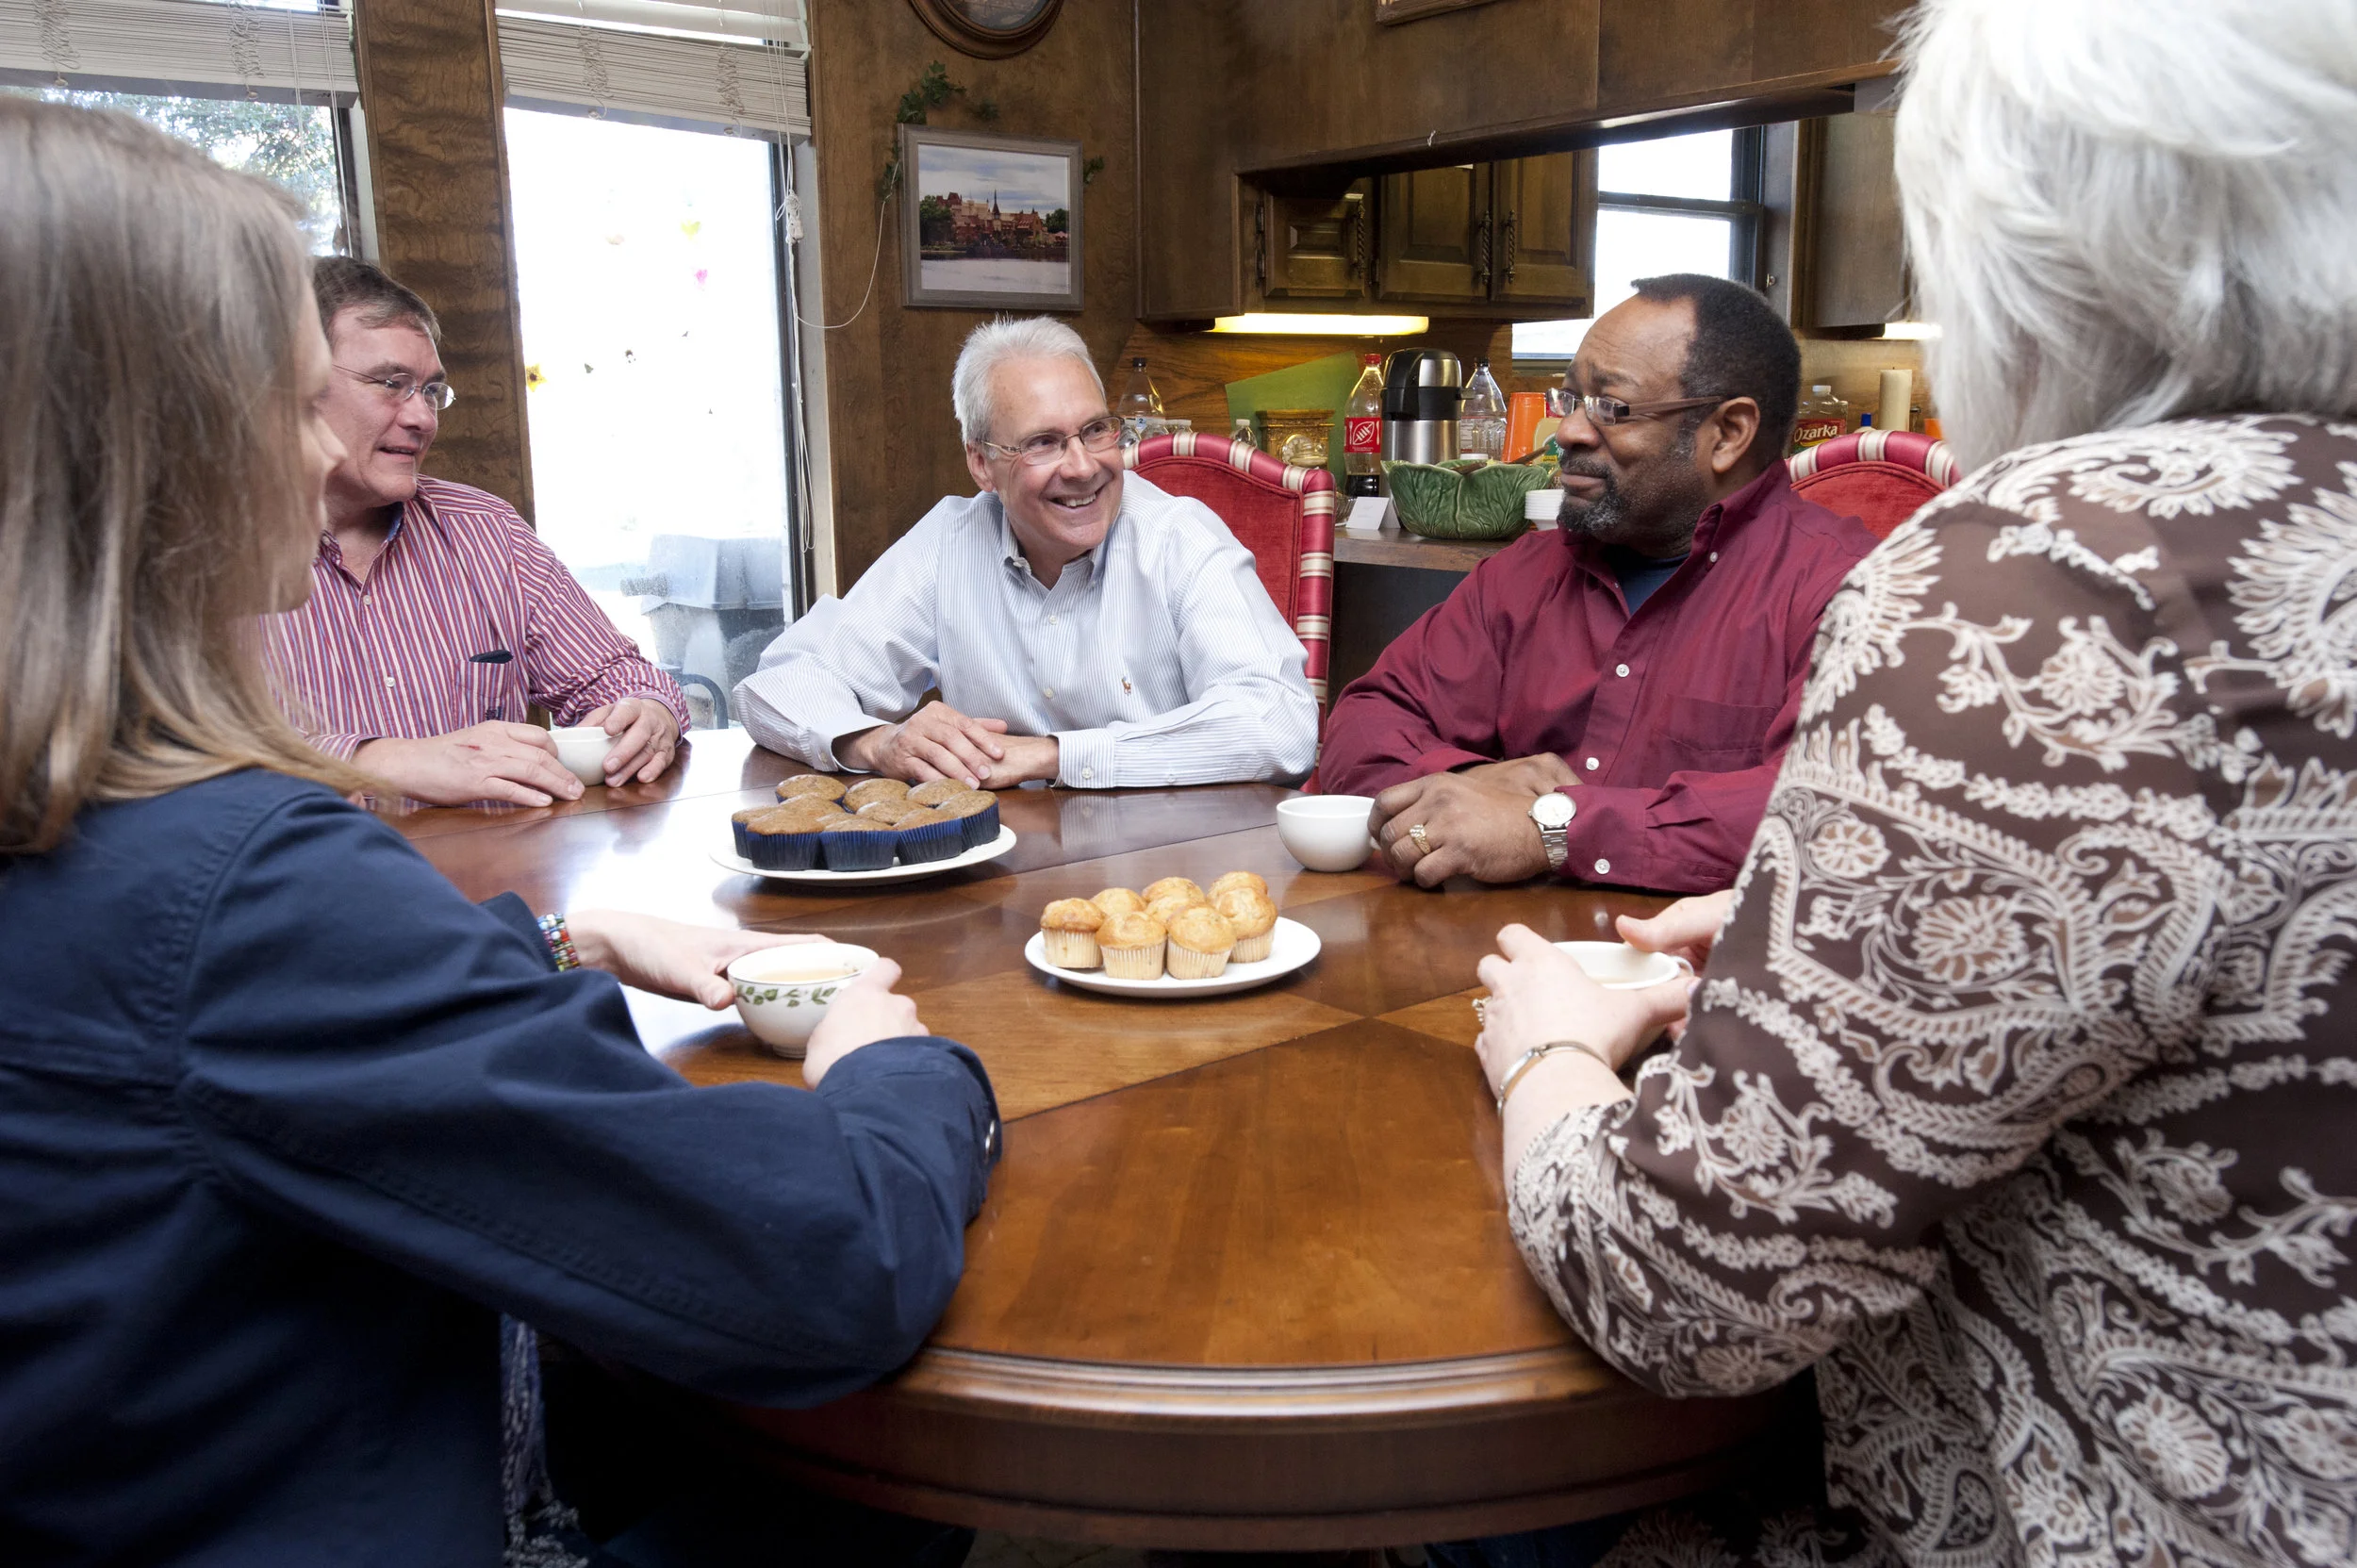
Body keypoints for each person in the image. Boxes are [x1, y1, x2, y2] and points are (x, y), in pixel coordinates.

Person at [0, 99, 997, 1565]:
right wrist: (895, 1062)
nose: (320, 449)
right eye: (293, 405)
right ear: (161, 449)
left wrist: (550, 940)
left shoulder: (104, 839)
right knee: (892, 1501)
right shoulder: (250, 883)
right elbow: (832, 1264)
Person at [1463, 1, 2357, 1562]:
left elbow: (1686, 1287)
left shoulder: (2048, 573)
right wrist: (1813, 926)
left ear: (2014, 251)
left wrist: (1546, 1058)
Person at [1320, 275, 1876, 893]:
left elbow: (1829, 814)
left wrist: (1552, 828)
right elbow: (1361, 726)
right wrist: (1471, 784)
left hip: (1703, 974)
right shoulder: (1524, 575)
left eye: (1612, 408)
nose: (1569, 433)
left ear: (1729, 434)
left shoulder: (1847, 589)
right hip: (1492, 962)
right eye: (1570, 399)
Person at [734, 317, 1318, 789]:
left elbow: (1281, 725)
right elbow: (781, 682)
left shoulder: (1180, 538)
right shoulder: (948, 542)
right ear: (982, 464)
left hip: (1172, 877)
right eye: (1044, 442)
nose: (1084, 466)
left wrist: (1052, 757)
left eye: (1096, 430)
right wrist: (875, 742)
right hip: (1003, 879)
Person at [263, 257, 691, 807]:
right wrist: (377, 761)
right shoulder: (190, 555)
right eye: (391, 384)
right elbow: (163, 775)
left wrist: (649, 711)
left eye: (431, 391)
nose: (423, 419)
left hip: (498, 881)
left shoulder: (485, 531)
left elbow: (612, 675)